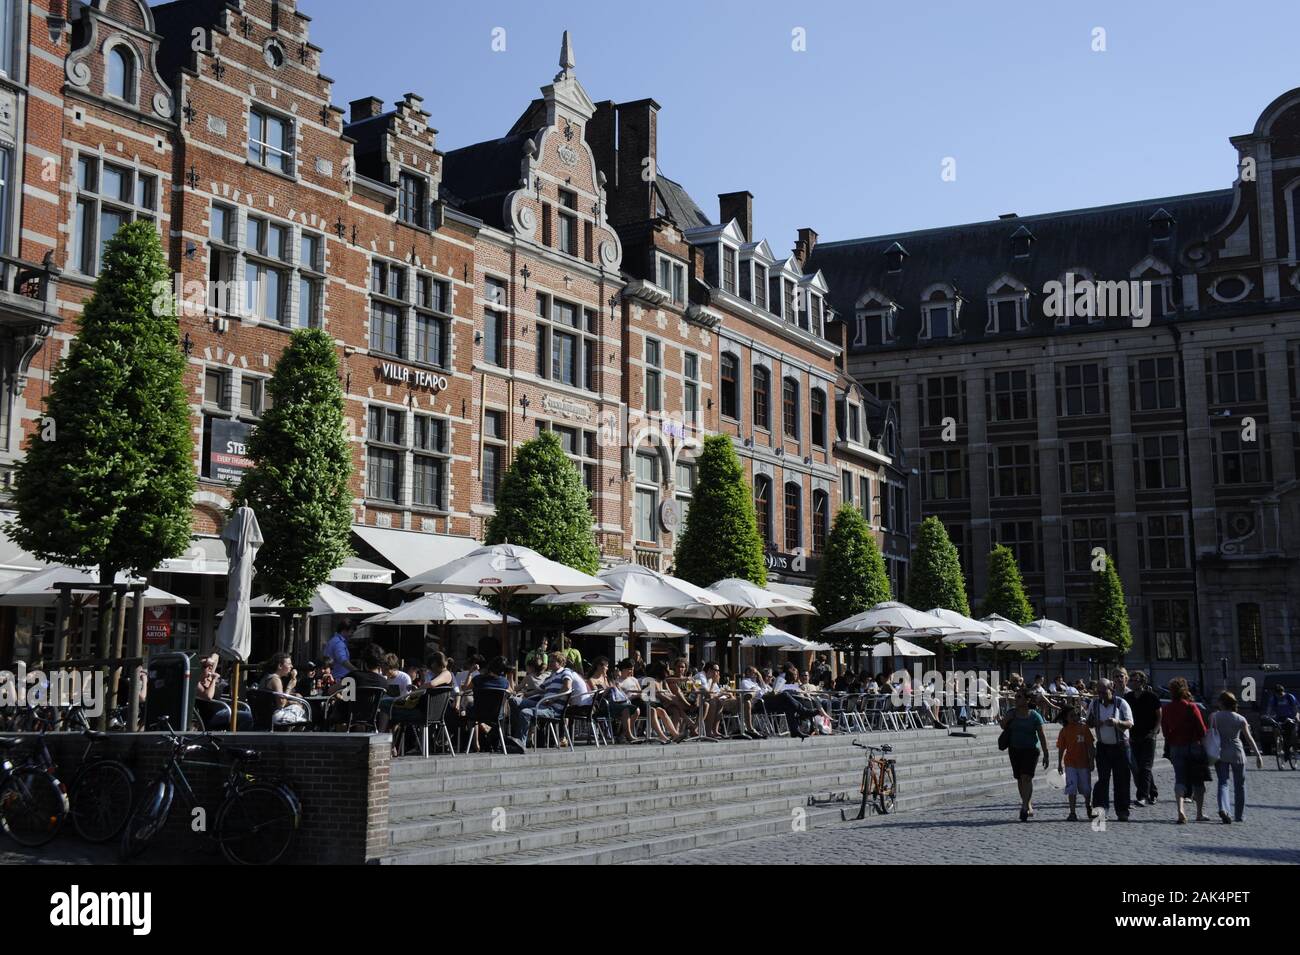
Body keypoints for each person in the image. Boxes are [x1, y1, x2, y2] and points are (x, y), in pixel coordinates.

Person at [1160, 676, 1208, 825]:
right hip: (1193, 746)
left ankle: (1180, 809)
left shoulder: (1166, 709)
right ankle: (1199, 813)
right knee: (1198, 781)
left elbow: (1165, 731)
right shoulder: (1191, 707)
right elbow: (1202, 729)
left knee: (1180, 779)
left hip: (1175, 747)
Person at [1210, 692, 1263, 824]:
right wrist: (1258, 754)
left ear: (1222, 703)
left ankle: (1223, 808)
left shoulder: (1214, 717)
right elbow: (1249, 738)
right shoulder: (1240, 718)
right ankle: (1239, 815)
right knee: (1240, 786)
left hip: (1220, 752)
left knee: (1223, 783)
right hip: (1237, 752)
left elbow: (1211, 734)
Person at [510, 651, 581, 748]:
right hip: (542, 704)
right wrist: (524, 694)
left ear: (560, 663)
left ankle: (521, 743)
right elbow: (539, 690)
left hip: (553, 709)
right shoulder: (551, 676)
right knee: (514, 700)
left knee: (525, 712)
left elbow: (567, 687)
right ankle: (518, 734)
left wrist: (552, 699)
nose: (550, 663)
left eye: (553, 661)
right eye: (550, 661)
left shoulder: (565, 671)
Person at [1088, 678, 1134, 821]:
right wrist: (1095, 723)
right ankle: (1102, 810)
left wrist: (1117, 722)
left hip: (1121, 746)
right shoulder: (1094, 704)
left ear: (1111, 690)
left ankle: (1122, 810)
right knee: (1103, 780)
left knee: (1122, 779)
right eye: (1098, 692)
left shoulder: (1121, 703)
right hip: (1103, 747)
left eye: (1103, 691)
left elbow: (1130, 723)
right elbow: (1088, 722)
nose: (1100, 695)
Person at [1002, 687, 1049, 821]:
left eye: (1019, 697)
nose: (1016, 699)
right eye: (1016, 696)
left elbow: (1042, 735)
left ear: (1027, 700)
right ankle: (1027, 803)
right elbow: (1002, 726)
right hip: (1015, 749)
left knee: (1026, 777)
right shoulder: (1011, 713)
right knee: (1019, 778)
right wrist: (1007, 718)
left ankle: (1024, 807)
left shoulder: (1034, 715)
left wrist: (1046, 753)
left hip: (1031, 750)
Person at [1126, 670, 1162, 806]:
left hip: (1148, 735)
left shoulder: (1151, 696)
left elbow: (1159, 714)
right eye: (1132, 680)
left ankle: (1142, 796)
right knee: (1139, 767)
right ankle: (1153, 792)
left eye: (1136, 680)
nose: (1133, 683)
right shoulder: (1128, 697)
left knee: (1146, 766)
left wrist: (1155, 730)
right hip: (1133, 736)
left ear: (1142, 681)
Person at [1056, 705, 1094, 821]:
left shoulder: (1084, 728)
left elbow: (1090, 746)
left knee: (1086, 788)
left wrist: (1092, 761)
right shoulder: (1064, 731)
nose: (1074, 717)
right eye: (1071, 715)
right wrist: (1059, 763)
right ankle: (1072, 813)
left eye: (1076, 715)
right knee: (1071, 788)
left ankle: (1089, 806)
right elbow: (1061, 748)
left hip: (1084, 764)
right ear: (1066, 718)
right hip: (1070, 764)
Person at [259, 652, 309, 726]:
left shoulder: (267, 677)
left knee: (297, 706)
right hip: (274, 716)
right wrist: (289, 687)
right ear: (280, 666)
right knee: (305, 718)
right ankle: (290, 736)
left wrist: (292, 698)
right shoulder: (275, 679)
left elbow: (274, 698)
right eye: (289, 664)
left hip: (263, 715)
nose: (291, 666)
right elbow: (281, 704)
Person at [1263, 683, 1298, 758]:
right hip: (1279, 718)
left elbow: (1296, 709)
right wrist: (1267, 716)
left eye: (1281, 693)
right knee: (1276, 729)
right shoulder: (1273, 699)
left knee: (1293, 734)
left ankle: (1295, 749)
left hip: (1290, 718)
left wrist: (1296, 717)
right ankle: (1279, 746)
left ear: (1283, 691)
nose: (1280, 695)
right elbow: (1269, 710)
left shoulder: (1289, 697)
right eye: (1278, 694)